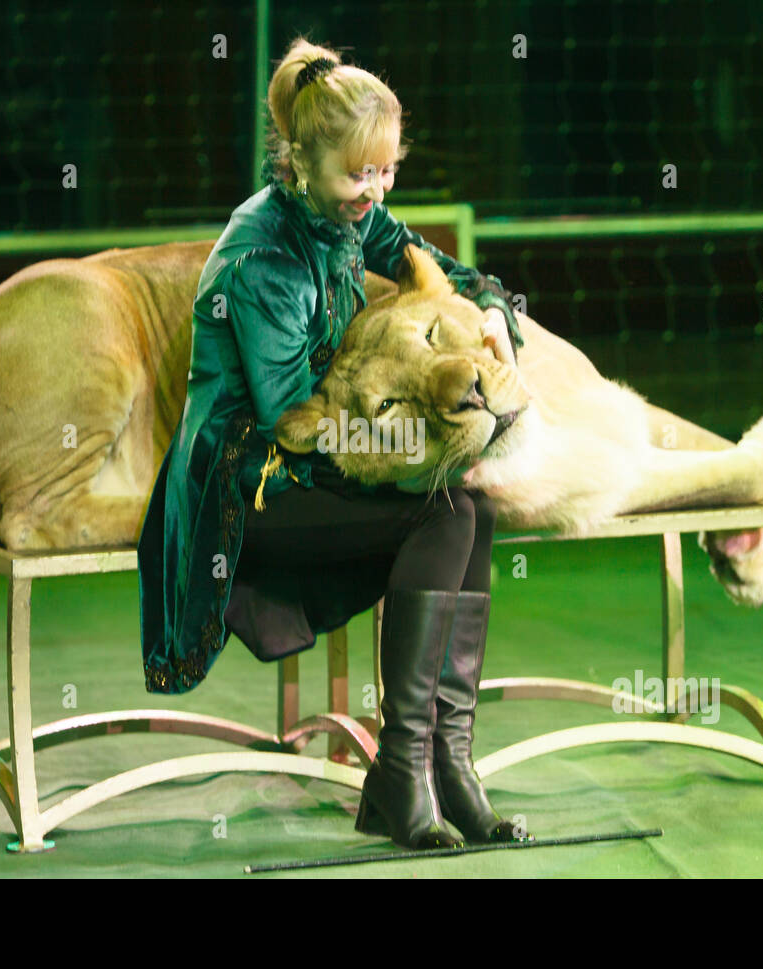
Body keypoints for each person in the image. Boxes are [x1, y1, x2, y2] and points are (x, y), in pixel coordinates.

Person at [137, 38, 530, 851]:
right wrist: (410, 452)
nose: (375, 192)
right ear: (299, 161)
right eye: (360, 174)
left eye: (386, 172)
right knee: (444, 513)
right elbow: (293, 419)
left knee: (474, 507)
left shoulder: (348, 211)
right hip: (243, 483)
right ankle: (403, 769)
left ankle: (445, 763)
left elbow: (436, 265)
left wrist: (491, 309)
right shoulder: (264, 253)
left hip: (310, 455)